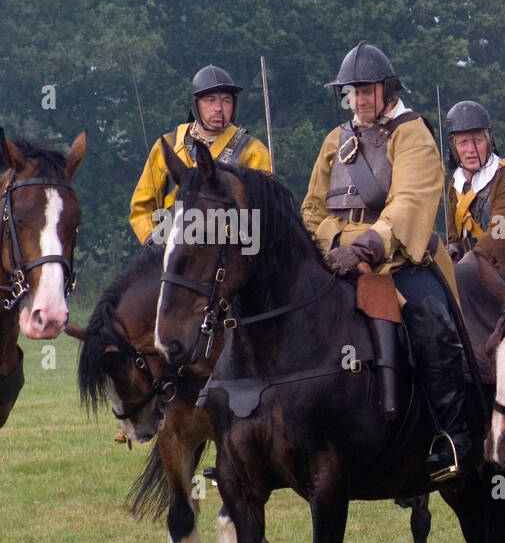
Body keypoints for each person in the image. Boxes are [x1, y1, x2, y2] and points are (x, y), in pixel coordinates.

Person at [300, 40, 470, 482]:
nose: (359, 100)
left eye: (368, 90)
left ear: (387, 89)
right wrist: (336, 241)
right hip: (336, 258)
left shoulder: (412, 133)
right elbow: (311, 211)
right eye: (353, 91)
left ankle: (452, 437)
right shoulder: (335, 140)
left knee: (433, 330)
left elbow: (408, 204)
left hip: (398, 260)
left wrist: (364, 245)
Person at [128, 65, 271, 245]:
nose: (219, 108)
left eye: (226, 101)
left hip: (228, 252)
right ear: (196, 105)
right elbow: (141, 207)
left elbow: (264, 211)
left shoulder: (253, 150)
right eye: (210, 100)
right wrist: (153, 241)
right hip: (171, 250)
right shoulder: (167, 146)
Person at [443, 100, 505, 275]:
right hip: (473, 272)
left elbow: (500, 236)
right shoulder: (456, 184)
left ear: (489, 142)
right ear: (454, 148)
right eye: (463, 142)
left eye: (477, 140)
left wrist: (469, 264)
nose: (471, 149)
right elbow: (454, 236)